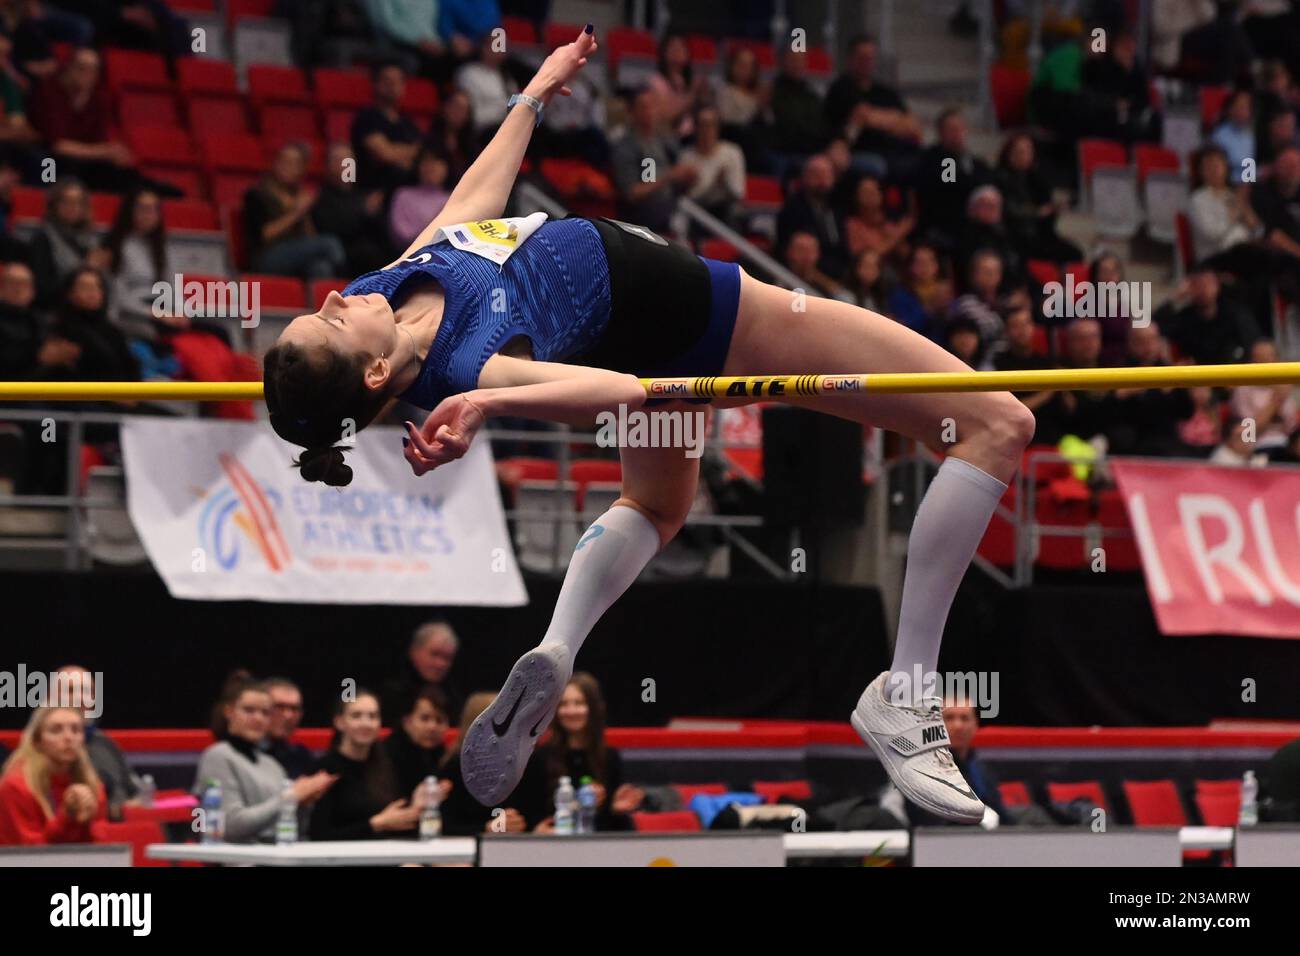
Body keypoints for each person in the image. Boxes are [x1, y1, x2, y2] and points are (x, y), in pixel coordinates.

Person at [262, 25, 1036, 824]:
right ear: (376, 374)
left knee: (657, 507)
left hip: (657, 324)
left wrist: (534, 94)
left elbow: (471, 205)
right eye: (327, 322)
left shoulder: (384, 288)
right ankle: (906, 692)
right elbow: (628, 392)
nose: (330, 299)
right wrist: (491, 402)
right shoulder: (469, 367)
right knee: (997, 424)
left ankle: (559, 647)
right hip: (711, 318)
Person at [192, 677, 336, 843]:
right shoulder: (218, 756)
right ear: (229, 712)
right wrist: (292, 796)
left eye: (265, 712)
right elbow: (231, 827)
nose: (258, 718)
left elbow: (293, 830)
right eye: (249, 710)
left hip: (275, 854)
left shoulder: (272, 765)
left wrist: (304, 803)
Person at [307, 690, 436, 840]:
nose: (366, 723)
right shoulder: (325, 769)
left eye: (373, 716)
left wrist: (416, 806)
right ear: (339, 722)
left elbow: (400, 822)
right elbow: (319, 835)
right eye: (356, 716)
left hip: (389, 852)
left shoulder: (390, 762)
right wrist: (375, 824)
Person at [531, 673, 642, 832]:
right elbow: (528, 813)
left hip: (598, 848)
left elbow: (615, 826)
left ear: (594, 708)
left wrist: (617, 810)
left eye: (579, 703)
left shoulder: (609, 757)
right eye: (563, 704)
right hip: (551, 847)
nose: (571, 711)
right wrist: (537, 829)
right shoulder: (540, 758)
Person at [438, 691, 546, 834]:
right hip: (471, 846)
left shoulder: (530, 760)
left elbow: (539, 811)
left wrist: (536, 826)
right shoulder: (455, 766)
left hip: (525, 845)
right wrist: (488, 828)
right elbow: (444, 825)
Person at [0, 706, 106, 844]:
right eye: (56, 730)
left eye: (76, 730)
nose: (69, 738)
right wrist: (67, 818)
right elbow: (31, 854)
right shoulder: (16, 787)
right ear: (37, 741)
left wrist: (85, 822)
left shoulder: (93, 786)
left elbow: (101, 848)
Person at [243, 143, 347, 280]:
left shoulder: (299, 196)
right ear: (275, 163)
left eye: (295, 164)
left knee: (321, 267)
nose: (288, 167)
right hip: (266, 257)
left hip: (297, 254)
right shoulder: (257, 194)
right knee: (330, 243)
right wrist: (297, 213)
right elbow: (264, 235)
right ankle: (348, 285)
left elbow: (310, 238)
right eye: (285, 161)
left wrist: (305, 213)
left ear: (302, 170)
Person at [823, 35, 920, 176]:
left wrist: (873, 118)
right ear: (850, 59)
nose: (867, 62)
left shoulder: (885, 91)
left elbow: (912, 125)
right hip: (859, 151)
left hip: (894, 151)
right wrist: (893, 119)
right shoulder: (841, 88)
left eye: (871, 58)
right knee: (877, 165)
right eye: (862, 58)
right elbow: (859, 116)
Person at [51, 665, 140, 819]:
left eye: (87, 691)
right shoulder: (45, 752)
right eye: (71, 690)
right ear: (51, 697)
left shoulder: (105, 743)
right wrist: (117, 811)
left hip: (126, 833)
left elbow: (134, 791)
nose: (81, 698)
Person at [610, 87, 691, 235]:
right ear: (632, 112)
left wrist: (686, 179)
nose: (650, 112)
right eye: (644, 107)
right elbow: (632, 193)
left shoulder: (663, 142)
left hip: (670, 207)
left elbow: (663, 180)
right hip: (642, 218)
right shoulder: (626, 147)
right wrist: (668, 176)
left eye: (653, 105)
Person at [27, 177, 103, 308]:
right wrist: (86, 268)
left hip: (92, 311)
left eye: (78, 202)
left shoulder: (93, 239)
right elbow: (43, 288)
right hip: (57, 310)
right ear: (54, 205)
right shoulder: (43, 238)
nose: (73, 207)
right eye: (66, 202)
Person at [350, 61, 422, 195]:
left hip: (407, 193)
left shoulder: (408, 122)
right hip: (374, 191)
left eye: (398, 81)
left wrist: (395, 151)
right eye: (387, 80)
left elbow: (421, 153)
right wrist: (407, 153)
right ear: (375, 84)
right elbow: (384, 154)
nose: (393, 85)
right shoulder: (367, 117)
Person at [381, 619, 462, 725]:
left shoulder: (455, 699)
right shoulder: (391, 695)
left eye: (447, 658)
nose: (440, 664)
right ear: (414, 652)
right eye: (435, 654)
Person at [676, 106, 745, 229]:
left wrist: (724, 182)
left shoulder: (732, 153)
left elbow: (738, 193)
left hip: (723, 211)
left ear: (717, 128)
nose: (706, 130)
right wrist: (685, 185)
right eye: (702, 125)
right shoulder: (686, 156)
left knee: (733, 213)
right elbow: (684, 197)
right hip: (696, 212)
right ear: (695, 128)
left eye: (711, 125)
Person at [381, 684, 451, 794]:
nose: (432, 727)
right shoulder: (385, 757)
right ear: (406, 722)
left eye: (439, 720)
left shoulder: (447, 760)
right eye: (424, 718)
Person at [388, 145, 451, 249]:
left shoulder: (454, 198)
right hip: (411, 258)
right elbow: (401, 236)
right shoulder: (403, 195)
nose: (431, 166)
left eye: (437, 160)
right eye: (426, 160)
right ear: (418, 166)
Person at [263, 677, 314, 779]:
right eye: (279, 707)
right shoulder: (241, 755)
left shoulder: (301, 756)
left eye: (294, 709)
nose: (288, 715)